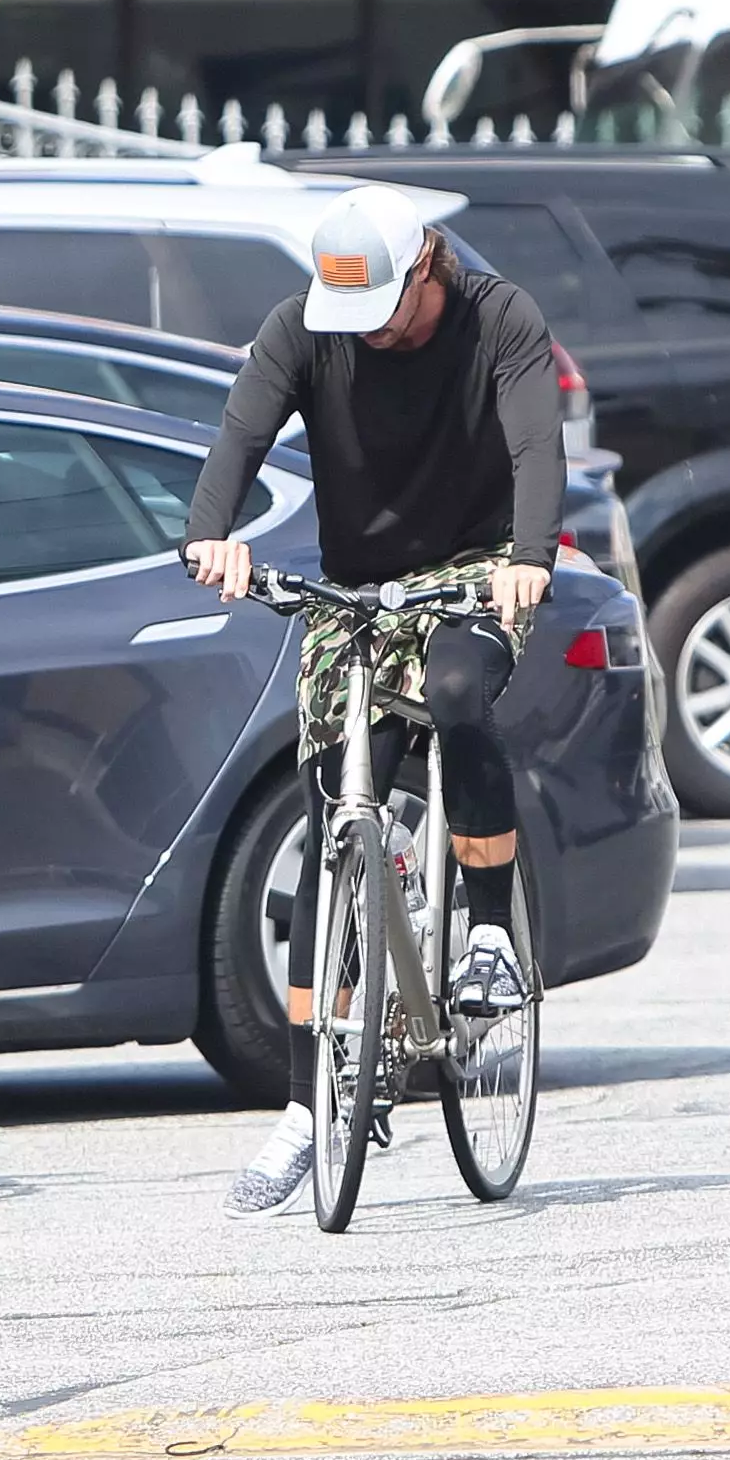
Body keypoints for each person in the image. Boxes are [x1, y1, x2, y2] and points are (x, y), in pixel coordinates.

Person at [180, 186, 561, 1217]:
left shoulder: (499, 318)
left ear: (425, 263)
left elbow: (535, 444)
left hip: (475, 572)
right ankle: (311, 1106)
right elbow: (240, 432)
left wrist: (528, 559)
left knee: (456, 690)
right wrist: (211, 531)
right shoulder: (302, 326)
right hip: (355, 593)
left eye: (387, 305)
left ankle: (485, 937)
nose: (371, 331)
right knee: (335, 821)